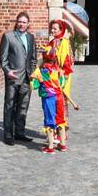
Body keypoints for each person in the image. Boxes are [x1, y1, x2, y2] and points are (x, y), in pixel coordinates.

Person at [0, 11, 36, 145]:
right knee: (10, 106)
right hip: (13, 78)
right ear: (16, 22)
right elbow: (2, 59)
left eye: (24, 22)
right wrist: (7, 71)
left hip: (26, 78)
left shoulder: (31, 37)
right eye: (19, 21)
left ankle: (20, 132)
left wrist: (32, 72)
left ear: (28, 24)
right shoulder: (8, 37)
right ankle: (8, 134)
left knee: (23, 106)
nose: (21, 24)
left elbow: (33, 58)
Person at [42, 17, 80, 147]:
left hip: (60, 79)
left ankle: (61, 133)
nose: (52, 30)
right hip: (50, 79)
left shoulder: (65, 43)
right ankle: (55, 134)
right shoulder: (51, 42)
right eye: (51, 28)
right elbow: (46, 59)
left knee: (61, 104)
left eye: (55, 28)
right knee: (51, 105)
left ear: (61, 29)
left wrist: (61, 74)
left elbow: (69, 63)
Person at [30, 46, 67, 153]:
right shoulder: (58, 69)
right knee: (60, 119)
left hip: (48, 97)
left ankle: (50, 147)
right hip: (59, 96)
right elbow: (62, 84)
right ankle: (63, 144)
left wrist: (33, 79)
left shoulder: (41, 71)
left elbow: (34, 86)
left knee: (49, 120)